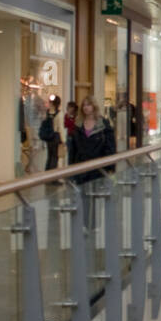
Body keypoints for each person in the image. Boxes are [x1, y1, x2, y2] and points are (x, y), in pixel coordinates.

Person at [66, 95, 116, 225]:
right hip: (81, 166)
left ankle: (92, 224)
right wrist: (70, 168)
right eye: (84, 105)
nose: (86, 107)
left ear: (94, 106)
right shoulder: (78, 125)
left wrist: (110, 167)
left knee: (93, 197)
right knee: (83, 197)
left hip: (97, 167)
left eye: (88, 104)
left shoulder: (103, 124)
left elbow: (110, 146)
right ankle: (86, 225)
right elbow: (73, 149)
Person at [41, 95, 63, 170]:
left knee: (49, 156)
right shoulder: (59, 114)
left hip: (48, 137)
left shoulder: (47, 113)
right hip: (56, 137)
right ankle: (52, 178)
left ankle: (47, 175)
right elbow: (60, 128)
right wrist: (63, 141)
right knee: (55, 157)